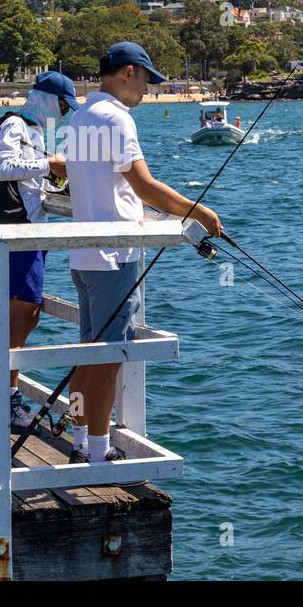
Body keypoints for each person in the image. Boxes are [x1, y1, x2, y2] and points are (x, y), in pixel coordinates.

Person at [65, 42, 223, 464]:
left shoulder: (80, 117)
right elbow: (145, 187)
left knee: (87, 352)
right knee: (109, 358)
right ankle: (98, 451)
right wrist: (200, 211)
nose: (148, 91)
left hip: (83, 254)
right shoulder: (117, 119)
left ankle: (79, 439)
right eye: (147, 81)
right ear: (128, 73)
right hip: (115, 255)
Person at [0, 71, 74, 432]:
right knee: (21, 318)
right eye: (64, 105)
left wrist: (53, 179)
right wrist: (48, 164)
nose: (66, 113)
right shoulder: (15, 124)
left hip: (32, 232)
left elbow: (24, 177)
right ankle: (5, 399)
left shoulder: (34, 130)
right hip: (20, 233)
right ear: (47, 98)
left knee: (26, 316)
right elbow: (2, 165)